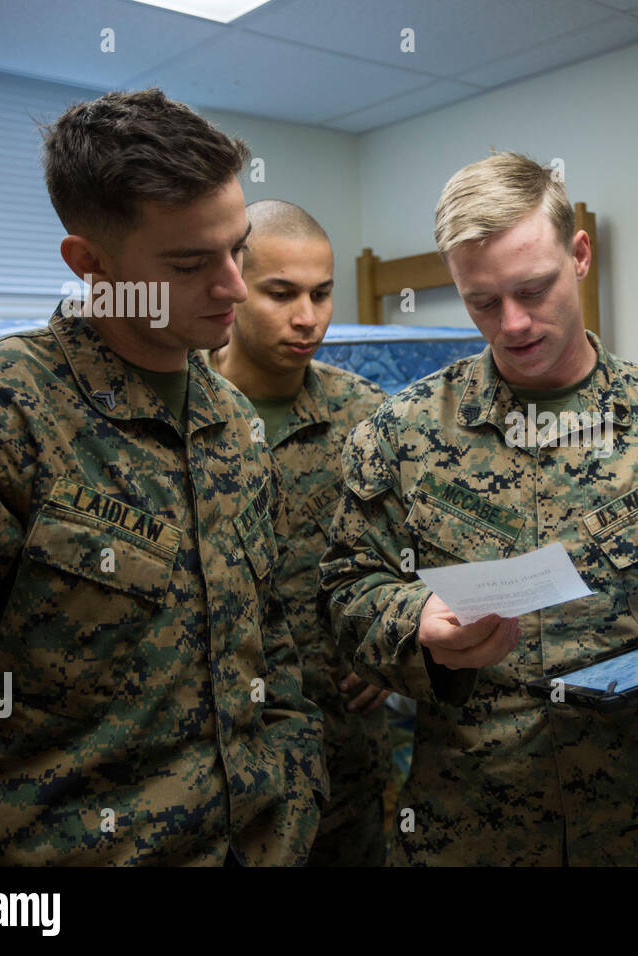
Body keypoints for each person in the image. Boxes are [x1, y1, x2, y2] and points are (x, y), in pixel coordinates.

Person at [319, 152, 638, 865]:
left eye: (533, 289)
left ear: (580, 255)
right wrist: (417, 622)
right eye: (482, 301)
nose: (513, 323)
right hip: (468, 830)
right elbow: (348, 592)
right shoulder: (399, 434)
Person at [0, 89, 324, 865]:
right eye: (190, 264)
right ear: (90, 262)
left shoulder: (233, 424)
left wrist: (295, 799)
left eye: (238, 249)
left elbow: (271, 651)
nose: (234, 286)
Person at [205, 199, 391, 866]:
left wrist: (391, 648)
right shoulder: (182, 410)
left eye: (321, 293)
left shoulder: (367, 416)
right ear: (234, 285)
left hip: (343, 761)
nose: (308, 317)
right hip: (214, 769)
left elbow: (413, 557)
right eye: (281, 293)